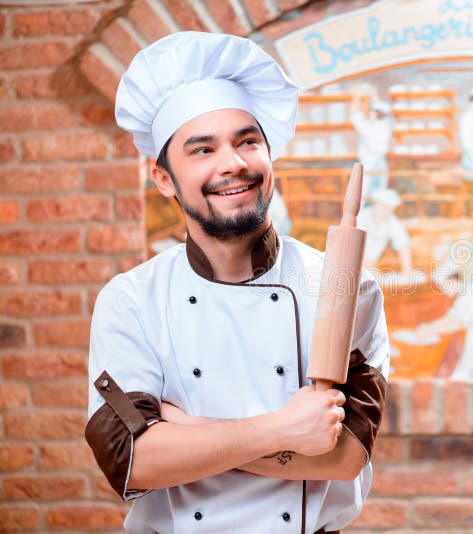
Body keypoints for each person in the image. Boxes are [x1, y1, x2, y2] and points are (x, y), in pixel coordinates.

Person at [85, 32, 389, 534]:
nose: (233, 163)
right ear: (164, 179)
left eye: (248, 141)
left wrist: (184, 432)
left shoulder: (344, 286)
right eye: (203, 149)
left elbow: (343, 459)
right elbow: (131, 460)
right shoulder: (132, 300)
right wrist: (282, 430)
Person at [413, 267, 473, 379]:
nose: (444, 290)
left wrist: (428, 330)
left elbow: (455, 322)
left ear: (455, 280)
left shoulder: (472, 292)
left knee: (466, 377)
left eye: (445, 284)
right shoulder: (465, 293)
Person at [356, 188, 412, 277]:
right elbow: (354, 250)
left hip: (370, 265)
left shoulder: (392, 221)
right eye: (386, 207)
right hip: (352, 263)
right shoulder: (361, 218)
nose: (389, 211)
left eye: (391, 208)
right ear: (376, 204)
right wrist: (372, 270)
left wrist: (406, 271)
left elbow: (403, 245)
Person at [349, 84, 392, 197]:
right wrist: (374, 95)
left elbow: (353, 115)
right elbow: (379, 109)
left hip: (369, 163)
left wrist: (357, 96)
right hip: (379, 163)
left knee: (363, 193)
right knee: (378, 192)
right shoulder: (385, 124)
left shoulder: (370, 128)